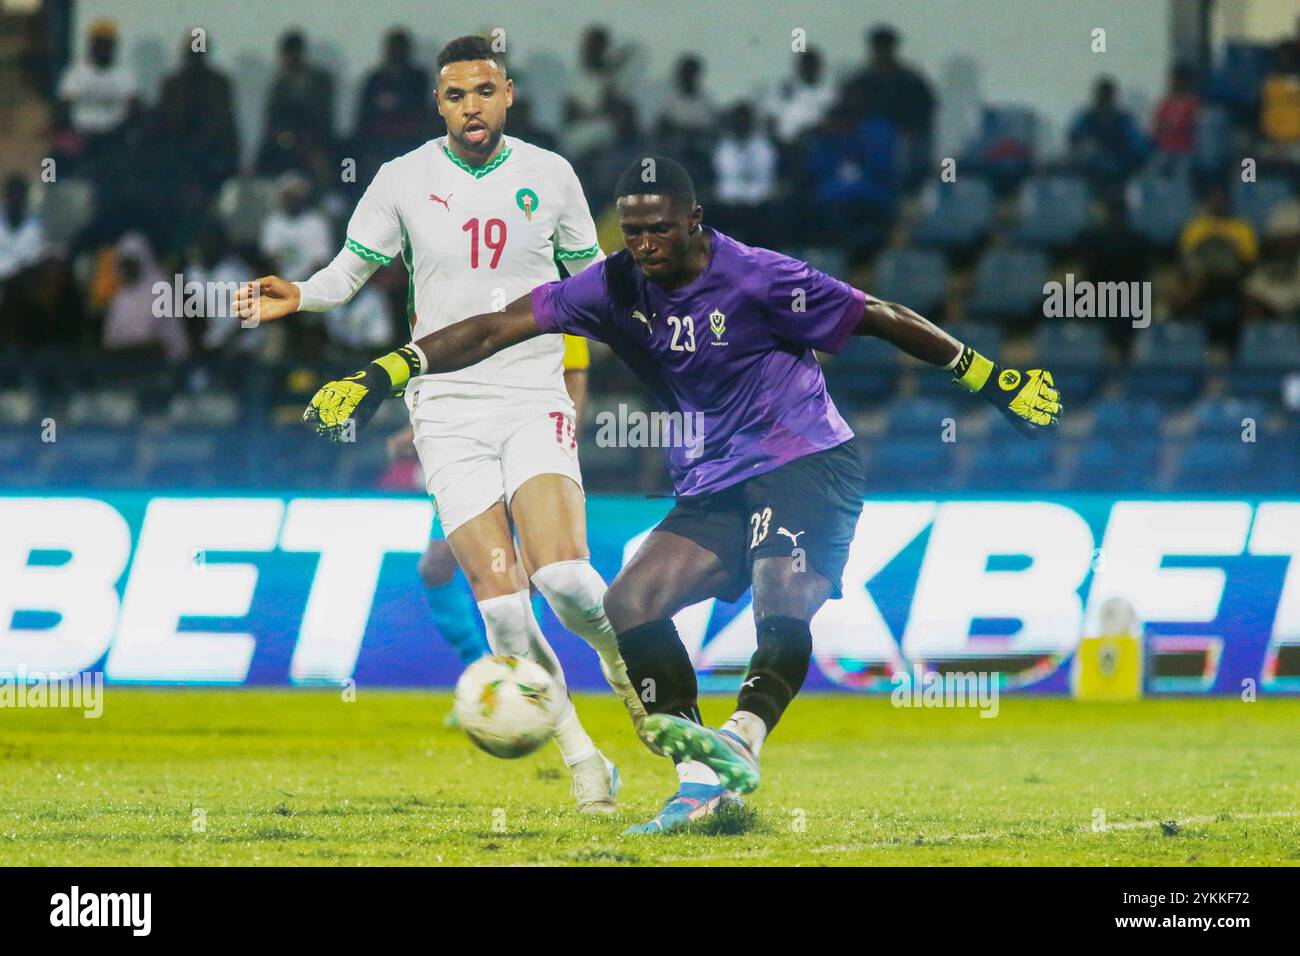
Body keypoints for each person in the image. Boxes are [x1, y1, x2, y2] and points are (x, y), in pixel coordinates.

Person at [301, 156, 1062, 833]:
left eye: (659, 229)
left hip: (805, 461)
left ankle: (744, 738)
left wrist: (992, 380)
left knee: (780, 590)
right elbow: (499, 326)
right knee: (631, 604)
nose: (645, 245)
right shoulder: (610, 286)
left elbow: (879, 317)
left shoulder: (762, 276)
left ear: (695, 220)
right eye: (632, 231)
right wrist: (385, 372)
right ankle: (698, 781)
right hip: (712, 481)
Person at [234, 36, 649, 813]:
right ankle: (584, 758)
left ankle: (632, 679)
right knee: (501, 609)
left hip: (531, 393)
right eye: (456, 96)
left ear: (508, 95)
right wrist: (300, 294)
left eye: (484, 92)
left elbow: (594, 287)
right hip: (446, 408)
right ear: (440, 104)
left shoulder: (551, 175)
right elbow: (348, 272)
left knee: (562, 580)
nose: (472, 108)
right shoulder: (402, 180)